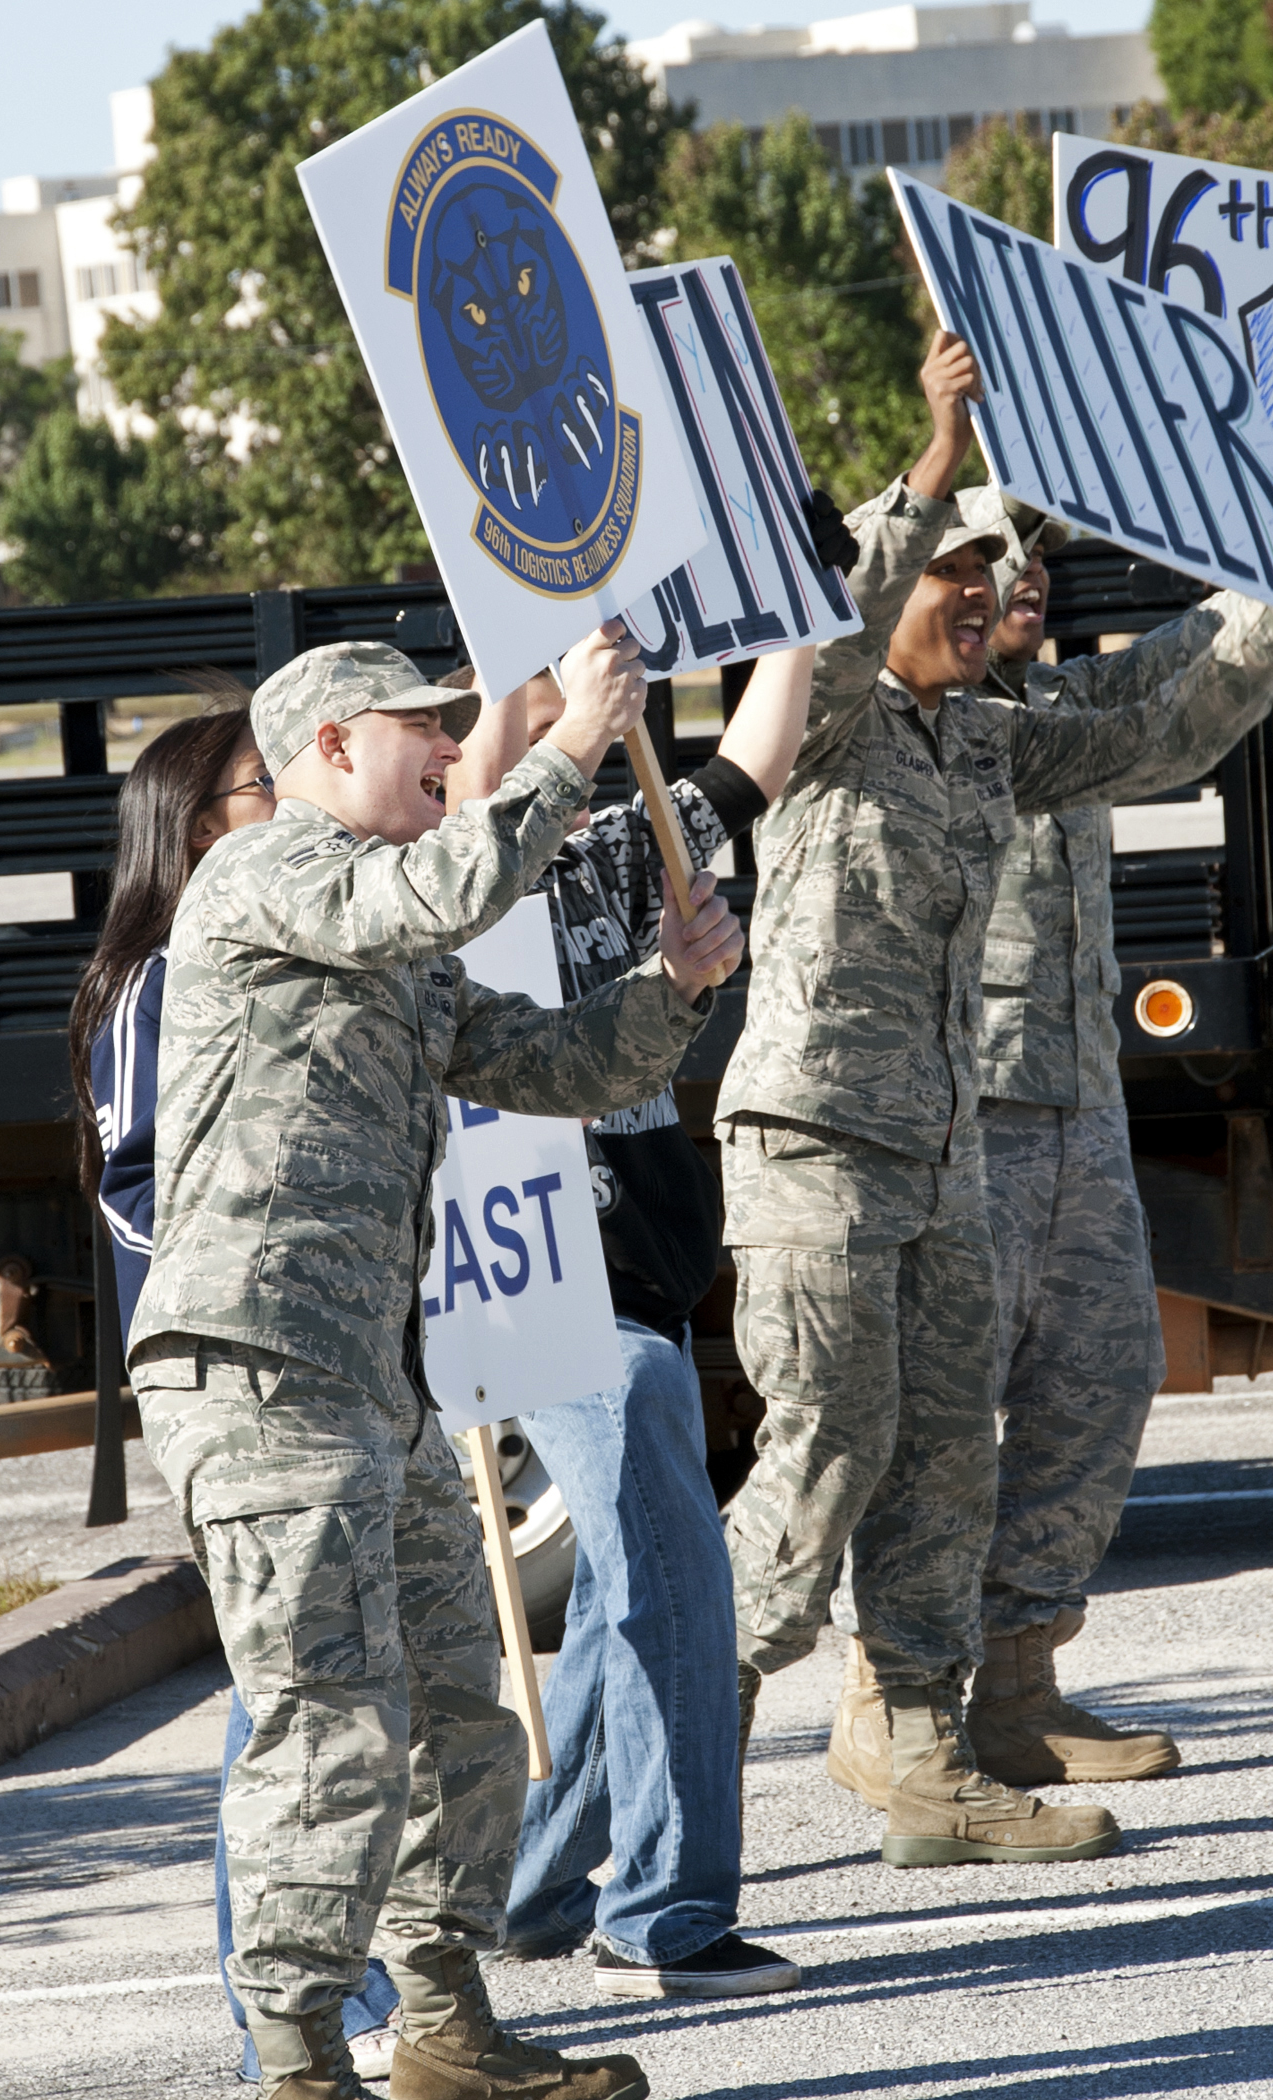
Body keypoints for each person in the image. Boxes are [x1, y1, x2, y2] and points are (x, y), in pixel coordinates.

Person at [719, 330, 1273, 1874]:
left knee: (998, 1426)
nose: (992, 590)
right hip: (843, 1148)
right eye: (957, 571)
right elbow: (834, 634)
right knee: (817, 1482)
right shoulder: (819, 721)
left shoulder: (994, 739)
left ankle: (963, 1730)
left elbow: (1162, 715)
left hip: (985, 1130)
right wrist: (936, 458)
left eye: (1003, 571)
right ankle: (662, 1781)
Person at [127, 630, 742, 2100]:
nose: (452, 752)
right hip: (259, 1372)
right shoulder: (268, 874)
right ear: (330, 751)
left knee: (464, 1707)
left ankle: (447, 2024)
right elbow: (451, 882)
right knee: (329, 1720)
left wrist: (672, 982)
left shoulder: (398, 944)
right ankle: (296, 2061)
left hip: (371, 1382)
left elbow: (560, 1068)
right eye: (424, 730)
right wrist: (571, 739)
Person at [441, 547, 853, 1997]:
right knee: (678, 1589)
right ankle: (669, 1911)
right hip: (554, 1296)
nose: (605, 707)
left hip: (647, 1282)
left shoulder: (620, 854)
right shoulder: (457, 886)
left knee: (636, 1594)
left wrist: (794, 613)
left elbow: (756, 761)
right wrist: (528, 677)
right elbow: (488, 778)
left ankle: (537, 1890)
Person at [70, 700, 406, 2085]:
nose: (292, 805)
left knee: (311, 1681)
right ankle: (293, 1994)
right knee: (295, 1697)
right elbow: (138, 1183)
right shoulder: (162, 981)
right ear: (196, 829)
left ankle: (337, 1981)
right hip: (236, 1374)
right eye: (266, 786)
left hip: (335, 1366)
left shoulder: (272, 952)